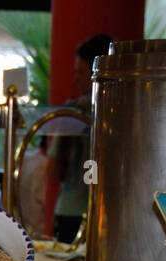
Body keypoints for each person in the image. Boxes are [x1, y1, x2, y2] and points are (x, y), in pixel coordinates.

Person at [47, 33, 112, 244]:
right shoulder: (121, 113)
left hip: (72, 210)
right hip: (107, 212)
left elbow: (54, 171)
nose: (75, 79)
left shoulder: (72, 112)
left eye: (81, 72)